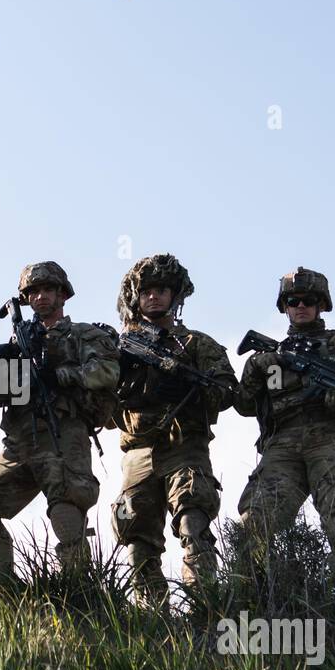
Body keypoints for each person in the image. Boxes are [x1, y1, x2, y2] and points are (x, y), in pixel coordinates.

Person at [234, 267, 335, 605]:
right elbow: (244, 405)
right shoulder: (269, 357)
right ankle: (250, 600)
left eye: (309, 300)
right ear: (284, 306)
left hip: (332, 439)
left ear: (322, 305)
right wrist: (256, 371)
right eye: (293, 300)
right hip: (282, 445)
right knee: (255, 521)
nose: (300, 306)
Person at [0, 261, 119, 583]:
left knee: (66, 501)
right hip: (20, 439)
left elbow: (107, 371)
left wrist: (60, 373)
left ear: (63, 294)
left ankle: (77, 587)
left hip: (64, 430)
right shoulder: (16, 343)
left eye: (47, 290)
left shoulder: (83, 334)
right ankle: (2, 589)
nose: (40, 297)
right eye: (33, 292)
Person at [110, 254, 237, 608]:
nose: (154, 297)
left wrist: (189, 388)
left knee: (193, 524)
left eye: (162, 290)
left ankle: (204, 608)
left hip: (185, 446)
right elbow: (99, 396)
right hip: (138, 451)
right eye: (147, 291)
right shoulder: (121, 345)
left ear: (175, 295)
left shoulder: (196, 343)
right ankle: (152, 616)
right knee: (137, 538)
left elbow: (228, 391)